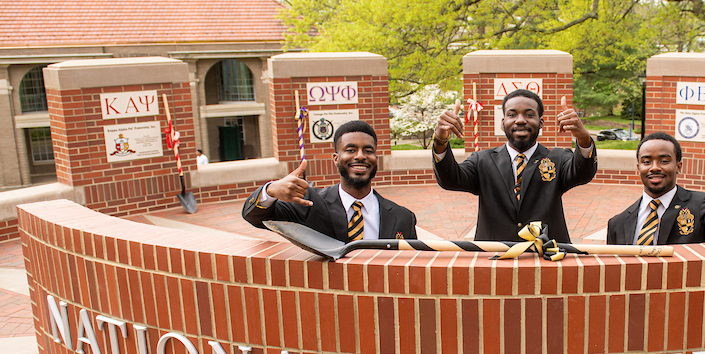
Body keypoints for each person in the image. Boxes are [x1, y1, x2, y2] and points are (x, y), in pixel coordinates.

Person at [432, 89, 596, 242]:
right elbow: (450, 179)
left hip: (547, 256)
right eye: (512, 114)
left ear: (541, 123)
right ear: (503, 123)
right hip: (494, 256)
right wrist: (440, 140)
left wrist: (583, 138)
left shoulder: (557, 159)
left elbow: (583, 173)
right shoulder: (482, 161)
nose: (520, 120)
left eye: (529, 115)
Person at [242, 120, 417, 240]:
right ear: (336, 158)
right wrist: (270, 190)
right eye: (351, 150)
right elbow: (254, 217)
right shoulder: (309, 203)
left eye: (368, 151)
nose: (360, 156)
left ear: (375, 159)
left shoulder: (403, 218)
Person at [606, 131, 705, 245]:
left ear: (678, 166)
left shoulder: (700, 206)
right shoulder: (617, 224)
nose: (654, 167)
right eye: (647, 162)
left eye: (664, 161)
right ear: (638, 168)